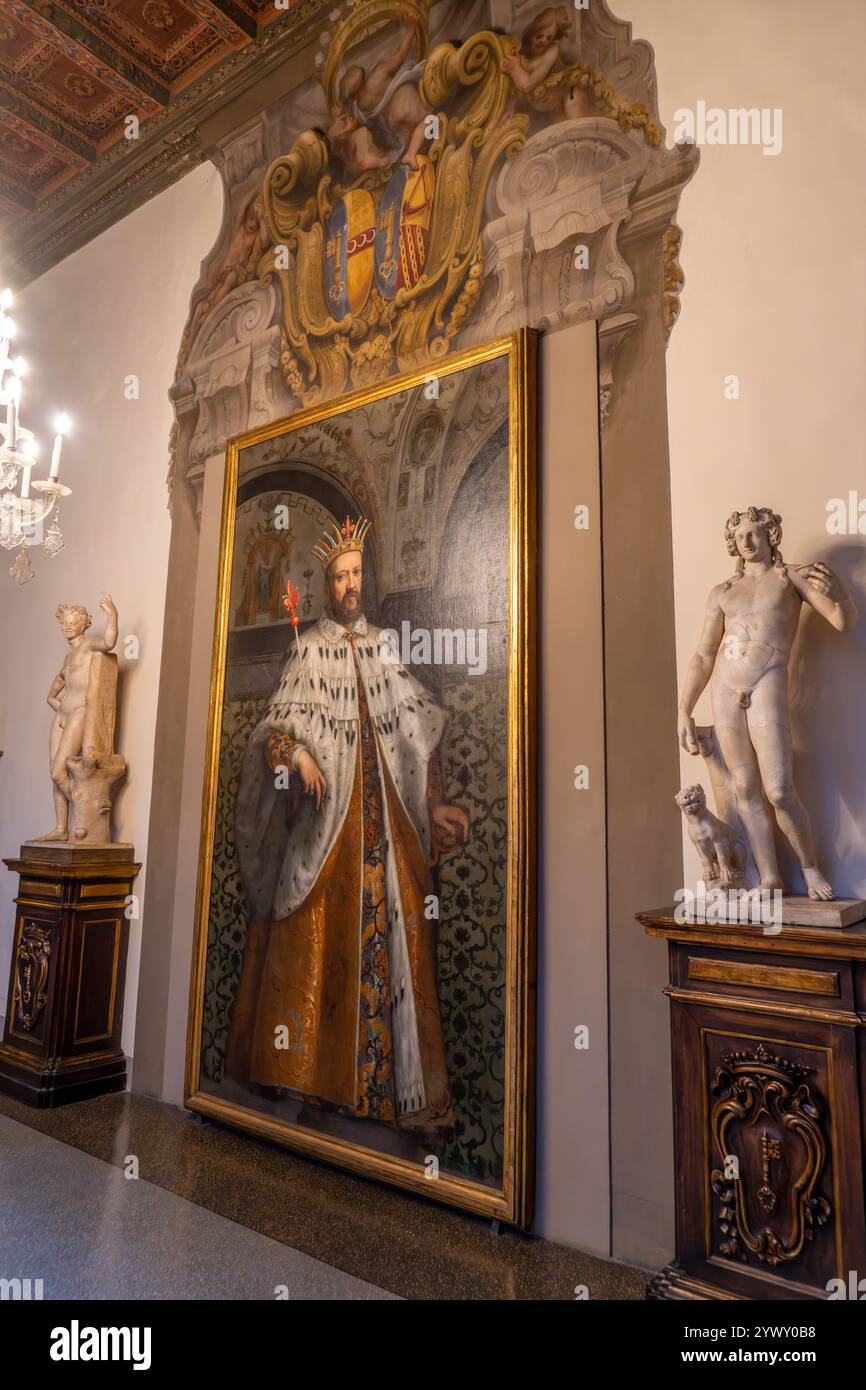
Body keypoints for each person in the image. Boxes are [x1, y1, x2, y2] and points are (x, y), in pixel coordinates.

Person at [227, 514, 469, 1131]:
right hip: (325, 829)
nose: (351, 584)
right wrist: (299, 754)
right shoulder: (308, 648)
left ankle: (395, 1095)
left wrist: (432, 802)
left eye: (358, 572)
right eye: (340, 575)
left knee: (399, 938)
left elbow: (416, 737)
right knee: (316, 940)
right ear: (326, 584)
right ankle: (310, 1085)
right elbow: (272, 734)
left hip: (387, 825)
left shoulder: (385, 647)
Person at [678, 507, 858, 901]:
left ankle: (810, 868)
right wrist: (684, 709)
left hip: (767, 681)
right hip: (724, 688)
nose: (746, 541)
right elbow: (704, 655)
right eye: (740, 536)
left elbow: (843, 621)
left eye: (754, 533)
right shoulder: (722, 592)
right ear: (733, 544)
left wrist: (841, 595)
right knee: (744, 787)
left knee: (779, 789)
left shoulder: (790, 578)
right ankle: (770, 877)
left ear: (771, 535)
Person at [41, 594, 118, 842]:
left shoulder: (88, 645)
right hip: (63, 714)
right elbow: (60, 681)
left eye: (72, 622)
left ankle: (85, 805)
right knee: (54, 773)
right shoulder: (68, 657)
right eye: (63, 622)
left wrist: (111, 613)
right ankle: (61, 828)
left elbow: (108, 642)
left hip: (79, 713)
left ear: (83, 624)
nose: (66, 626)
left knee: (58, 772)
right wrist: (55, 701)